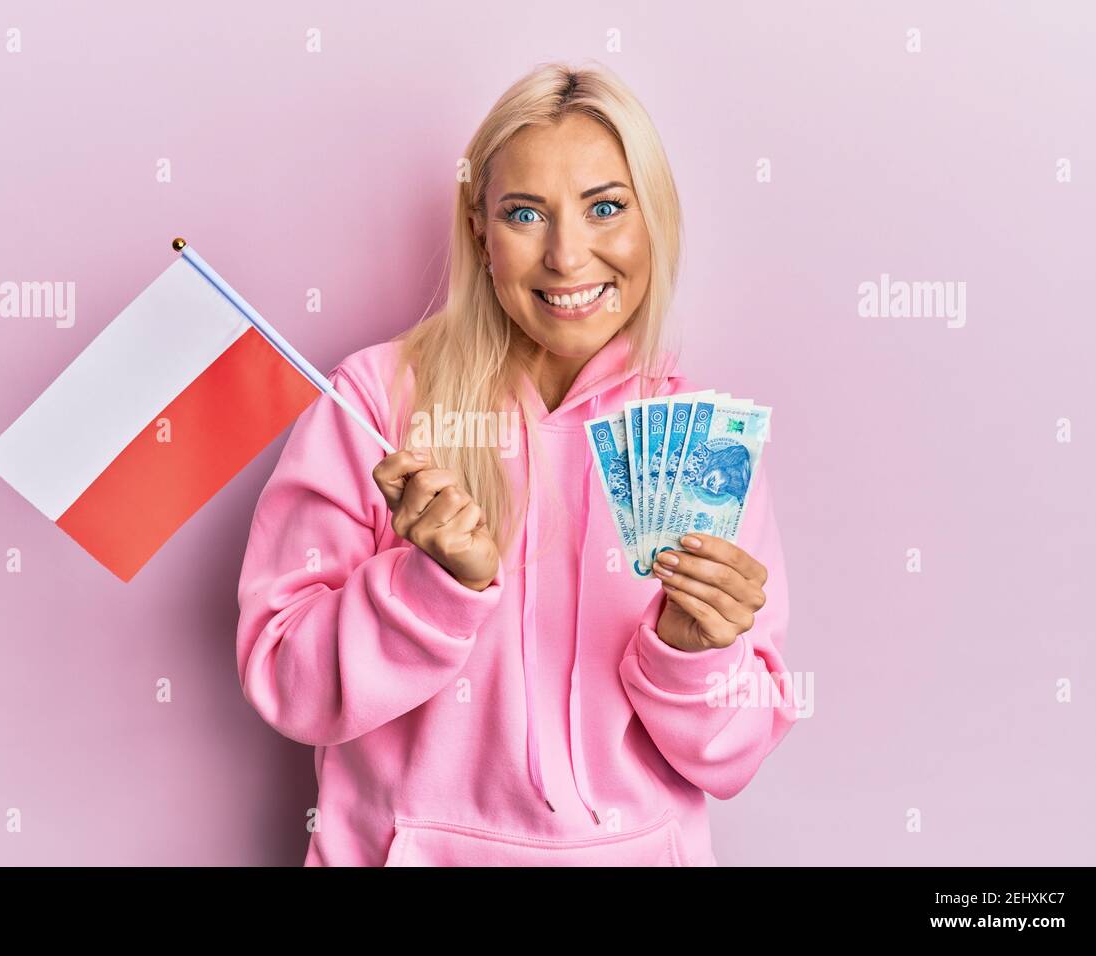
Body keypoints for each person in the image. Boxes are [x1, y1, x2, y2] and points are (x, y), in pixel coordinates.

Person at [235, 60, 799, 866]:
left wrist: (691, 648)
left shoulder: (696, 443)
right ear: (480, 231)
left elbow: (736, 754)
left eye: (606, 207)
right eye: (526, 213)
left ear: (655, 221)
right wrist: (433, 585)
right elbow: (284, 679)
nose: (568, 258)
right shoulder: (377, 403)